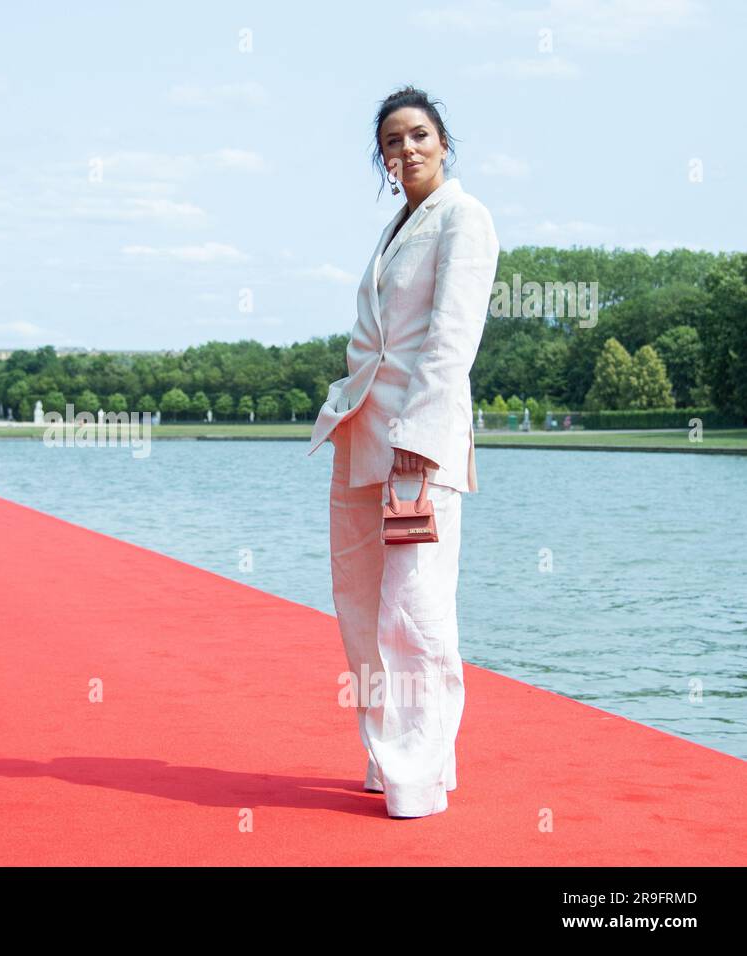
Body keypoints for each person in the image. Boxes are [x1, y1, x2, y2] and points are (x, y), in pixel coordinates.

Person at [307, 86, 500, 818]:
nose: (407, 149)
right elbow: (377, 341)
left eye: (419, 134)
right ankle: (392, 753)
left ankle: (415, 779)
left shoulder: (464, 218)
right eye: (393, 141)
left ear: (444, 142)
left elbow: (452, 341)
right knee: (360, 608)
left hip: (417, 443)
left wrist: (417, 441)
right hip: (360, 436)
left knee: (414, 612)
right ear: (383, 159)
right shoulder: (397, 227)